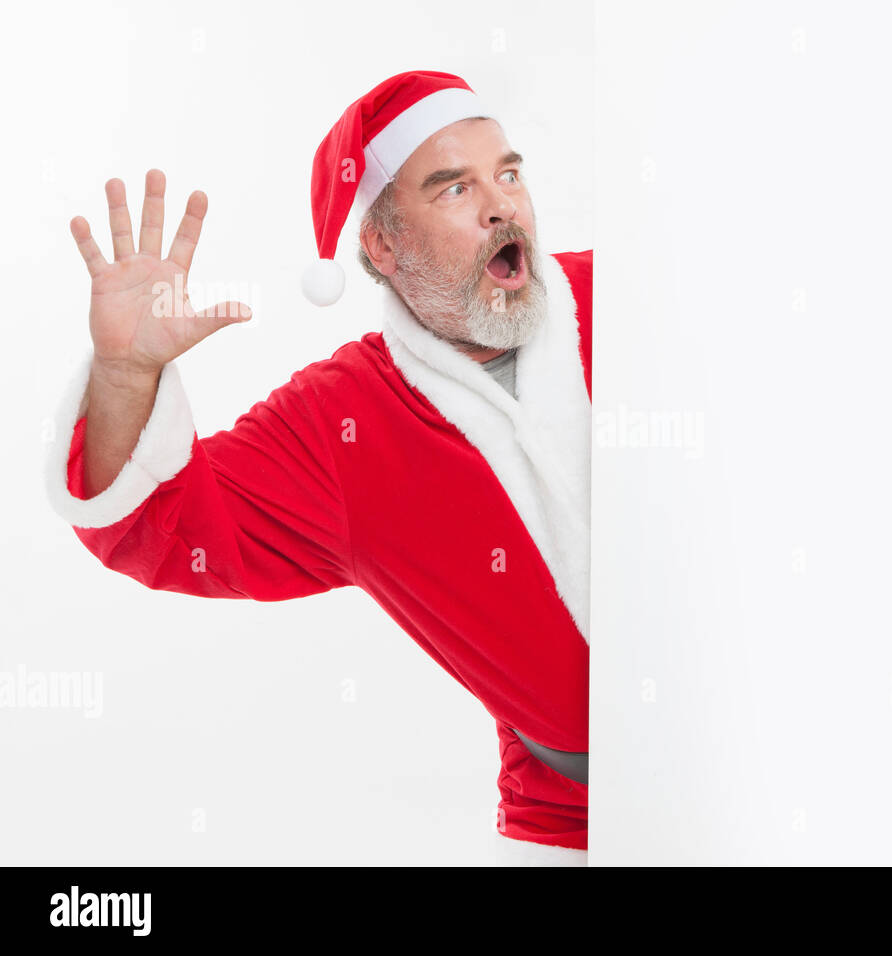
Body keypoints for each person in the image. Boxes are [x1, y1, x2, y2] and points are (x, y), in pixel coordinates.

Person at [45, 70, 592, 860]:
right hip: (571, 821)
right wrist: (126, 376)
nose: (502, 205)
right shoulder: (342, 424)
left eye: (509, 175)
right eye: (455, 189)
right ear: (383, 245)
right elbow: (158, 529)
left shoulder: (631, 299)